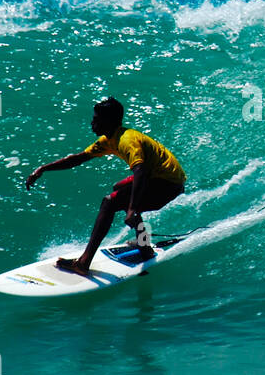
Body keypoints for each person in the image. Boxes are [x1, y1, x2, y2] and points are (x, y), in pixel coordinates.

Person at [25, 97, 186, 276]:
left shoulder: (126, 140)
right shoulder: (109, 139)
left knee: (110, 202)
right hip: (159, 177)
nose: (92, 123)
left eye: (96, 119)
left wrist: (132, 209)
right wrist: (42, 169)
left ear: (108, 121)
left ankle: (83, 263)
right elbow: (77, 159)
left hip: (167, 184)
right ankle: (144, 247)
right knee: (119, 189)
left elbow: (140, 172)